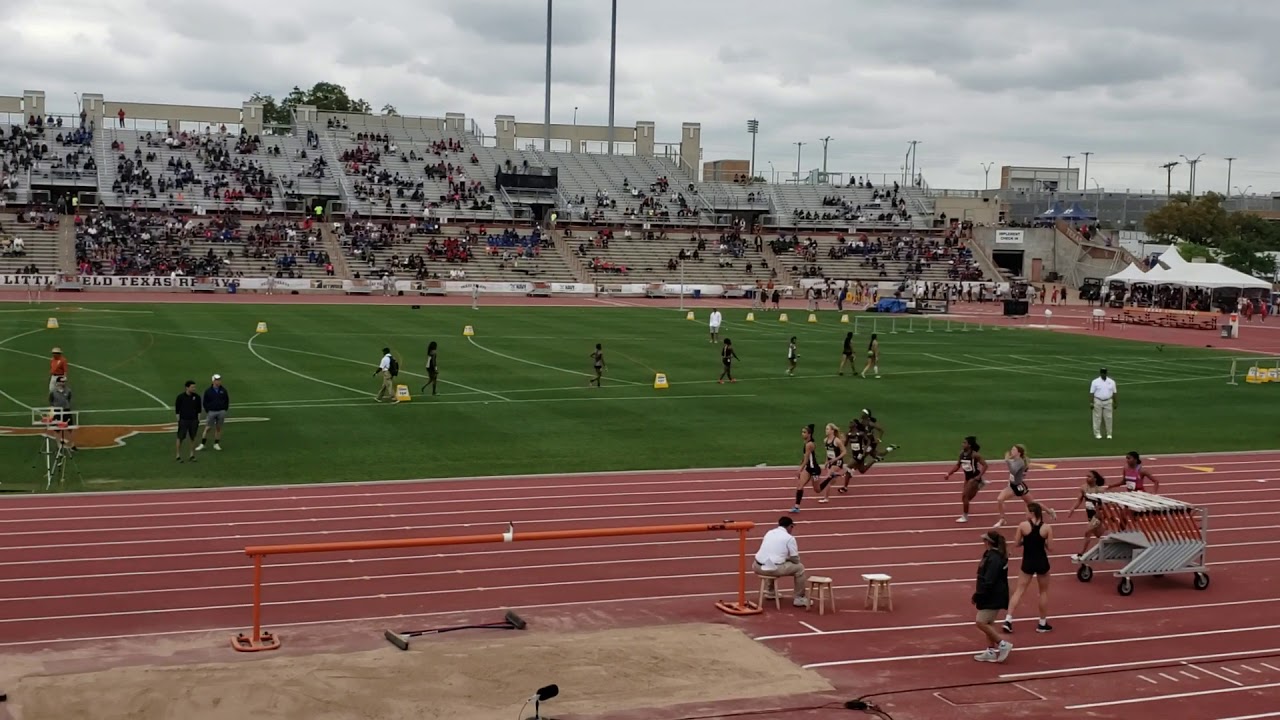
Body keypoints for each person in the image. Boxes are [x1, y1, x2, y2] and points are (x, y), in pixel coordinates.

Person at [1003, 502, 1055, 634]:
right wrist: (1042, 542)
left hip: (1028, 561)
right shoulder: (1047, 528)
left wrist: (1025, 541)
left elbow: (1016, 543)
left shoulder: (1022, 526)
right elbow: (1051, 548)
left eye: (1026, 511)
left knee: (1019, 591)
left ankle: (1008, 620)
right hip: (1042, 562)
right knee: (1043, 592)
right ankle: (1042, 623)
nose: (1025, 513)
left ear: (1032, 513)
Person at [972, 530, 1013, 663]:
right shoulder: (992, 555)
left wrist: (979, 595)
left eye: (984, 540)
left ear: (988, 542)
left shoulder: (994, 558)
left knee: (981, 622)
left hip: (993, 596)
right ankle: (990, 651)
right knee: (988, 623)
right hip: (993, 594)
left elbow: (989, 580)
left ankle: (1002, 644)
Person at [752, 516, 811, 608]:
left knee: (773, 562)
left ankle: (770, 591)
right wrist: (786, 558)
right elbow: (795, 559)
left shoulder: (769, 532)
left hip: (756, 566)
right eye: (792, 527)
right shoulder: (789, 538)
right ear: (790, 526)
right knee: (800, 568)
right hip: (772, 569)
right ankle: (799, 598)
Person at [993, 445, 1055, 527]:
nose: (1011, 451)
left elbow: (1013, 471)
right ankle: (1002, 519)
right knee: (1000, 499)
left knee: (1032, 503)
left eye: (1014, 450)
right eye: (1012, 449)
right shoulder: (1015, 460)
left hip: (1019, 487)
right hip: (1012, 486)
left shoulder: (1020, 462)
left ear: (1018, 453)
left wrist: (1007, 461)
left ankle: (1050, 511)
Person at [946, 436, 988, 523]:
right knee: (967, 498)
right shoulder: (962, 453)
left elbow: (985, 465)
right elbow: (958, 465)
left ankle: (965, 517)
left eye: (964, 443)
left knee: (965, 497)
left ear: (969, 445)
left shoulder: (974, 455)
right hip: (967, 478)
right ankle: (980, 485)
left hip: (974, 478)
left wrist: (979, 476)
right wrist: (949, 474)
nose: (962, 444)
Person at [1069, 470, 1109, 560]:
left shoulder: (1100, 490)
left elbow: (1105, 505)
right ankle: (1107, 527)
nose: (1087, 478)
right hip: (1090, 514)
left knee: (1087, 532)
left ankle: (1081, 554)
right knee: (1098, 534)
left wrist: (1105, 515)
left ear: (1095, 479)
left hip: (1098, 515)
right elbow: (1079, 500)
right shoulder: (1083, 488)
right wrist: (1073, 509)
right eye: (1087, 476)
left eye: (1089, 476)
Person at [790, 424, 823, 513]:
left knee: (817, 490)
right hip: (808, 468)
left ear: (809, 434)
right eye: (802, 432)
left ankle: (830, 477)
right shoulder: (806, 443)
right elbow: (805, 457)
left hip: (814, 469)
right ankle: (796, 507)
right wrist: (801, 463)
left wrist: (800, 470)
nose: (802, 434)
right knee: (800, 486)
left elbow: (806, 459)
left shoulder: (809, 444)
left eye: (804, 432)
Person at [196, 374, 229, 452]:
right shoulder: (208, 391)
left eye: (219, 380)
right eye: (216, 380)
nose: (218, 382)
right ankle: (202, 444)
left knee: (218, 428)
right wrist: (208, 410)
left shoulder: (223, 390)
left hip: (221, 411)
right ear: (213, 381)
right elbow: (205, 402)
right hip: (211, 412)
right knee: (208, 428)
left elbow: (226, 400)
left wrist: (224, 409)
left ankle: (216, 444)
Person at [174, 380, 202, 463]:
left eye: (194, 387)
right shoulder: (180, 397)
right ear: (187, 387)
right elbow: (177, 410)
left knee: (193, 437)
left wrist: (198, 420)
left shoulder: (197, 397)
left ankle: (192, 455)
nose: (194, 389)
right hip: (183, 420)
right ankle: (178, 455)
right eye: (192, 387)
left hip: (194, 420)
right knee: (180, 438)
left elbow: (199, 410)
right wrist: (179, 420)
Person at [1089, 367, 1117, 440]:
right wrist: (1091, 402)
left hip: (1108, 401)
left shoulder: (1111, 382)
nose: (1103, 374)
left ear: (1106, 373)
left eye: (1104, 373)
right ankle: (1097, 434)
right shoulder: (1095, 382)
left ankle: (1109, 434)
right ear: (1100, 373)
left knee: (1109, 418)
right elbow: (1092, 393)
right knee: (1097, 418)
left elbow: (1114, 393)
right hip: (1098, 400)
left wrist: (1115, 402)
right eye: (1102, 373)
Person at [48, 376, 75, 451]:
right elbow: (51, 401)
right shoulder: (53, 392)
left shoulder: (68, 391)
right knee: (57, 428)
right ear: (58, 382)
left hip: (66, 410)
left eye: (64, 382)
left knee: (70, 427)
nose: (63, 383)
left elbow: (69, 399)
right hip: (57, 411)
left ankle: (72, 445)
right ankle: (58, 444)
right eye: (62, 381)